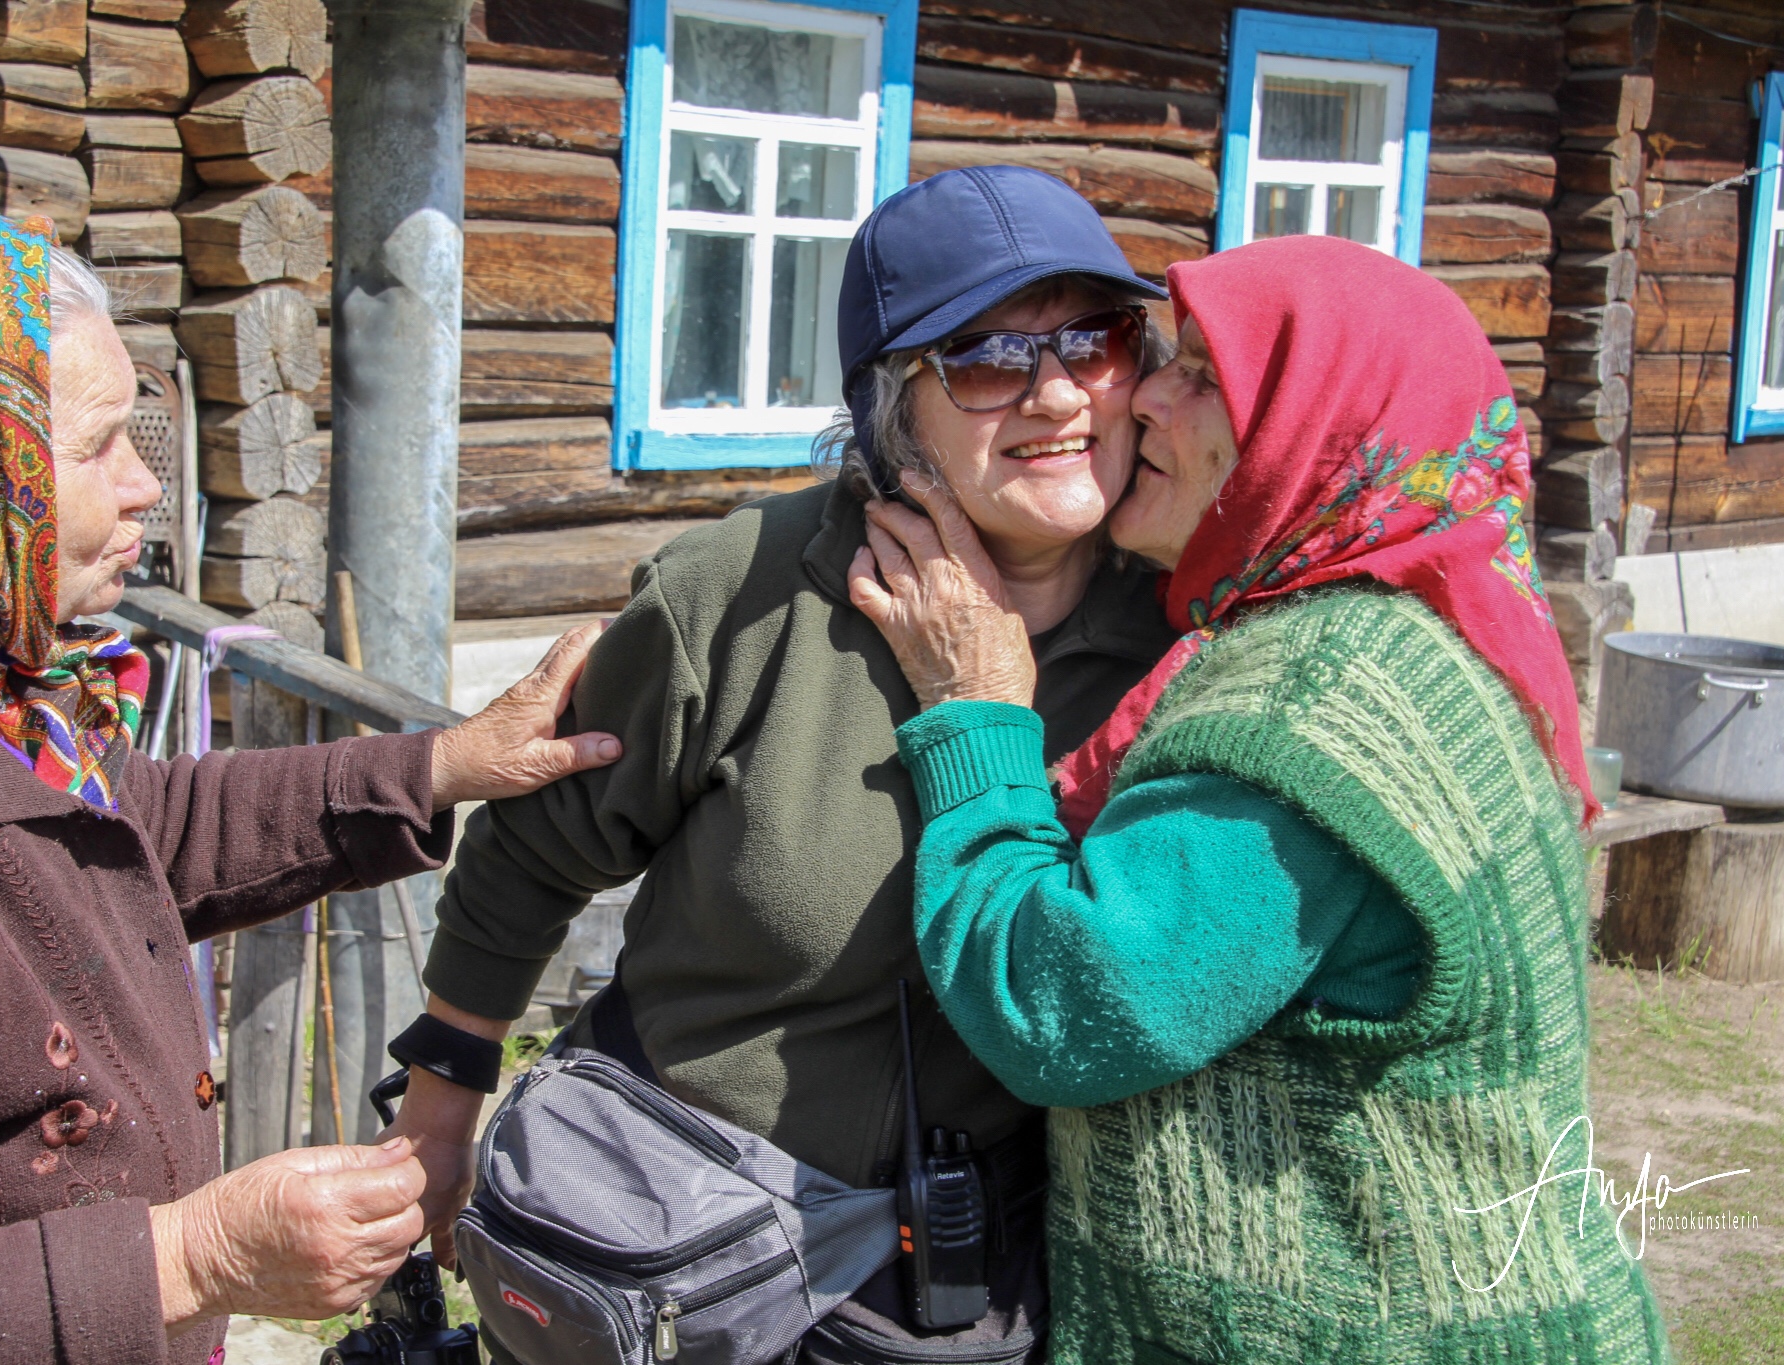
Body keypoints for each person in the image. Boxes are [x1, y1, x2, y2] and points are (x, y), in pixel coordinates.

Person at [0, 210, 621, 1365]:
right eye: (99, 443)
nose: (147, 486)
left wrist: (442, 766)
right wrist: (191, 1258)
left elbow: (129, 832)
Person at [381, 165, 1176, 1362]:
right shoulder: (743, 593)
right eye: (985, 358)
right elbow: (534, 845)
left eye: (1095, 340)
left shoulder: (1183, 636)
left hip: (968, 1278)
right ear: (889, 405)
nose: (1057, 393)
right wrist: (439, 1112)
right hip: (666, 1239)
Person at [848, 234, 1668, 1363]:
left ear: (1311, 432)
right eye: (1161, 358)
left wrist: (977, 710)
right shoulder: (1404, 629)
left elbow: (1064, 1005)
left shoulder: (1311, 706)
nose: (1138, 404)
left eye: (1202, 379)